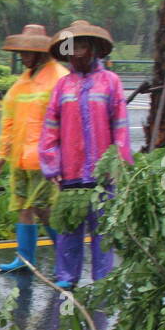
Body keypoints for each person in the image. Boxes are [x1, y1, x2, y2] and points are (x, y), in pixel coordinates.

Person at [38, 20, 133, 290]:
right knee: (70, 230)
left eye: (81, 47)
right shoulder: (62, 86)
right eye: (72, 48)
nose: (76, 54)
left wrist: (119, 164)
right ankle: (67, 278)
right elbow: (50, 128)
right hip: (70, 173)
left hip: (103, 175)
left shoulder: (110, 82)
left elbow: (120, 126)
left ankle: (102, 280)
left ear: (92, 49)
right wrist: (51, 165)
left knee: (103, 229)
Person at [0, 23, 67, 274]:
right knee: (23, 208)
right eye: (20, 52)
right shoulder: (22, 83)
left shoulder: (59, 78)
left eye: (26, 52)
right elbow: (9, 122)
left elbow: (67, 122)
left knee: (45, 209)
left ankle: (66, 260)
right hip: (21, 159)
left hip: (45, 159)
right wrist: (1, 154)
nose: (22, 57)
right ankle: (24, 260)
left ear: (40, 51)